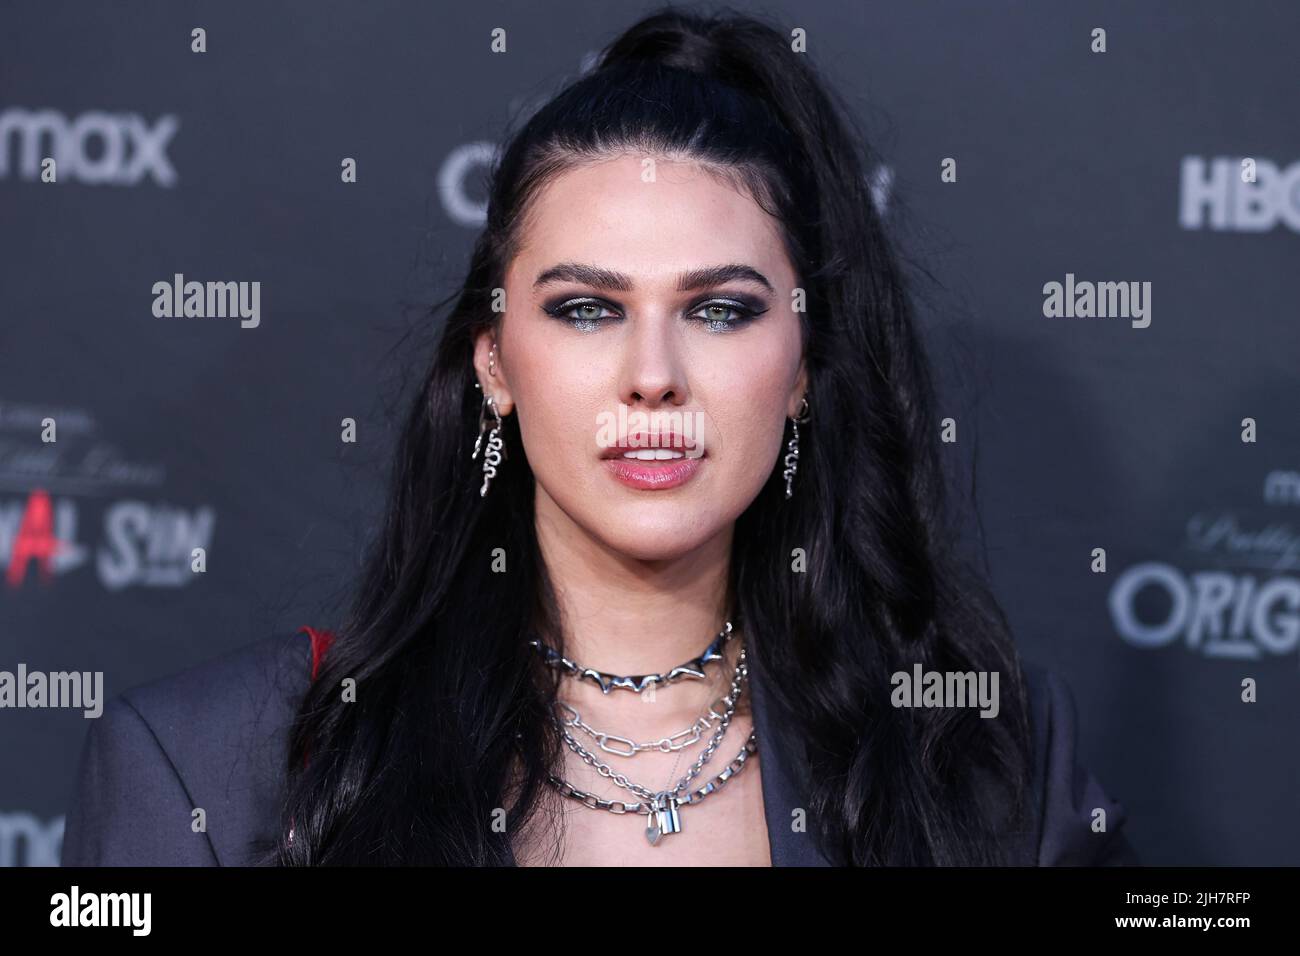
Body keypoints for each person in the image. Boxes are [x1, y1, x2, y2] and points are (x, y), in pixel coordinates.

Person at [61, 7, 1138, 867]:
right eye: (586, 307)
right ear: (493, 360)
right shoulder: (213, 770)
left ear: (803, 366)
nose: (653, 374)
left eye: (721, 308)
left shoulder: (989, 759)